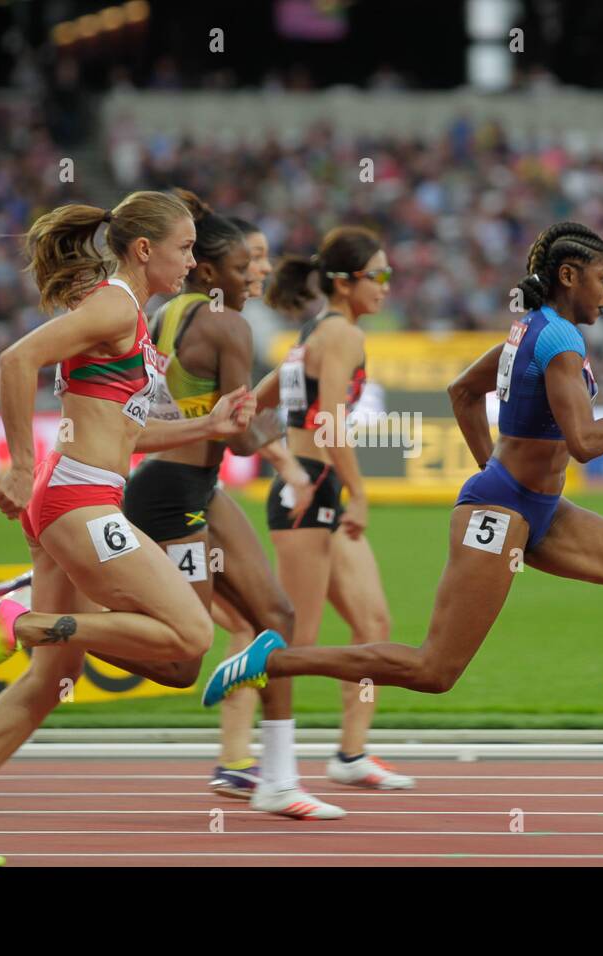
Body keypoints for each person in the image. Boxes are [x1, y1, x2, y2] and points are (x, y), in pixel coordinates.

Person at [204, 221, 603, 775]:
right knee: (434, 670)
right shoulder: (557, 340)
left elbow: (461, 392)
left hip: (535, 509)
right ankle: (270, 660)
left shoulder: (528, 329)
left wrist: (498, 477)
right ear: (568, 275)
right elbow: (583, 443)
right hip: (503, 510)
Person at [0, 191, 257, 865]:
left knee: (48, 682)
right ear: (144, 250)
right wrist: (15, 464)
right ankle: (23, 620)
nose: (195, 262)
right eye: (186, 249)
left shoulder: (134, 316)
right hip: (77, 501)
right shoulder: (115, 304)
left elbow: (125, 432)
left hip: (75, 496)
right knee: (190, 634)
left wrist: (208, 426)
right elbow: (16, 361)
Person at [121, 191, 342, 818]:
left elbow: (217, 422)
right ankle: (41, 615)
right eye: (249, 263)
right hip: (172, 502)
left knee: (276, 613)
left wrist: (269, 432)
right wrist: (284, 419)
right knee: (181, 660)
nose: (261, 273)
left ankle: (277, 777)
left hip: (190, 487)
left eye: (263, 261)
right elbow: (239, 433)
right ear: (212, 273)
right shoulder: (227, 325)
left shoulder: (168, 312)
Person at [247, 226, 415, 790]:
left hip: (315, 487)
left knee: (373, 623)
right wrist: (356, 490)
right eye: (379, 276)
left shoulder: (313, 333)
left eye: (389, 276)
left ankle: (349, 754)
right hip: (311, 493)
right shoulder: (341, 333)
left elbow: (248, 405)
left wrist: (280, 459)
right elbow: (329, 420)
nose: (387, 287)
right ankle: (273, 771)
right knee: (298, 643)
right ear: (344, 283)